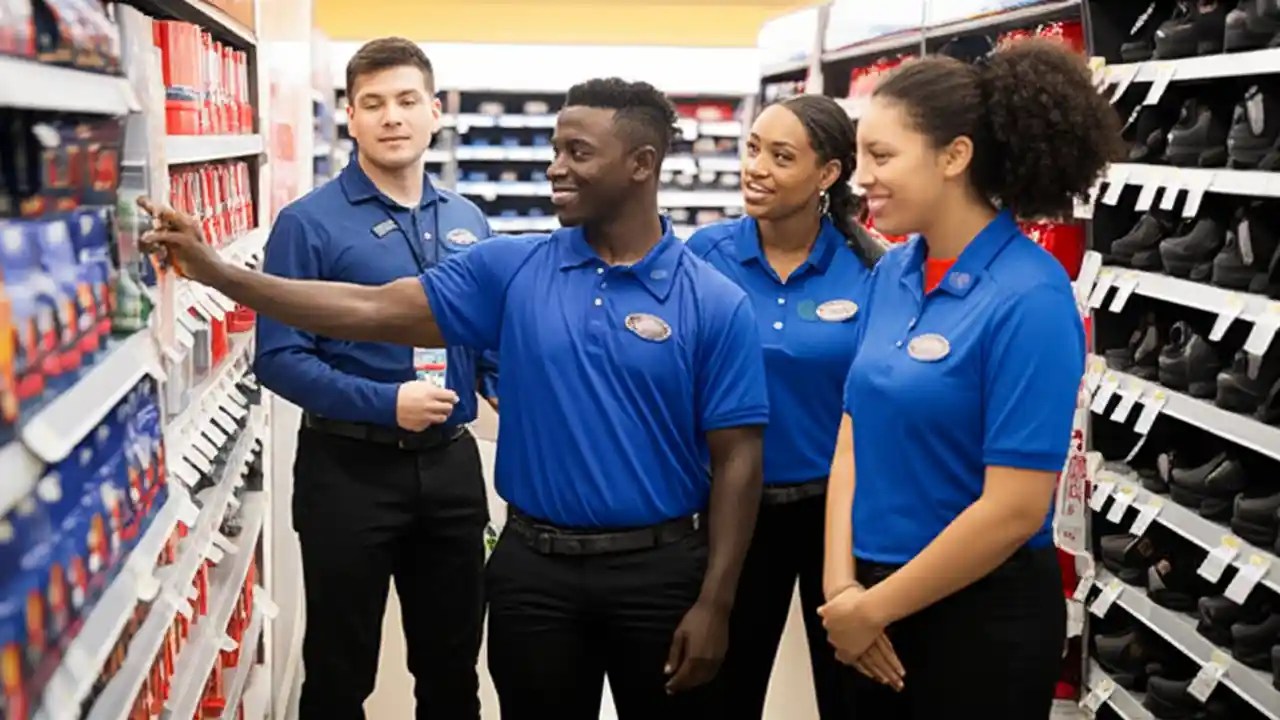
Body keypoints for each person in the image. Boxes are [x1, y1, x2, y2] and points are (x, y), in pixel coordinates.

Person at [138, 77, 768, 720]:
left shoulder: (713, 302)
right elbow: (370, 308)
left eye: (578, 152)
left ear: (642, 165)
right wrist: (220, 274)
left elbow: (739, 461)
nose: (556, 167)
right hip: (534, 574)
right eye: (555, 149)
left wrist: (716, 602)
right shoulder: (510, 267)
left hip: (660, 573)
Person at [818, 38, 1121, 717]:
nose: (860, 176)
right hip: (862, 599)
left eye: (881, 156)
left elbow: (1012, 509)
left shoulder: (1030, 295)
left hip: (977, 618)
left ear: (955, 157)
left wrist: (875, 610)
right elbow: (850, 434)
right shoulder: (892, 273)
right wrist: (841, 589)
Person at [251, 38, 498, 720]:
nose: (392, 117)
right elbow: (277, 357)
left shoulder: (469, 220)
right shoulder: (308, 224)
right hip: (346, 472)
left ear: (436, 113)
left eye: (407, 101)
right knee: (339, 669)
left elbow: (486, 338)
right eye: (374, 104)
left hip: (451, 469)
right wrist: (386, 402)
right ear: (351, 118)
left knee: (453, 669)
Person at [685, 94, 883, 719]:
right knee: (722, 688)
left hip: (840, 514)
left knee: (851, 692)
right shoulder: (704, 257)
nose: (756, 167)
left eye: (781, 156)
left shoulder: (872, 267)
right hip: (731, 508)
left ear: (827, 174)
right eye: (752, 149)